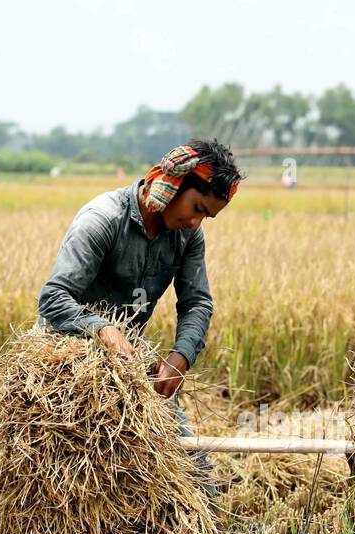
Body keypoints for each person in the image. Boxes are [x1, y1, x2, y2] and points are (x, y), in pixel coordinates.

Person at [37, 138, 244, 487]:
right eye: (196, 208)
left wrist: (181, 357)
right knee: (79, 471)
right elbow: (53, 297)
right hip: (66, 359)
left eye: (206, 216)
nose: (196, 222)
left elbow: (197, 302)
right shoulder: (103, 219)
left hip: (129, 366)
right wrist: (101, 328)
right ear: (174, 184)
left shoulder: (188, 236)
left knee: (196, 478)